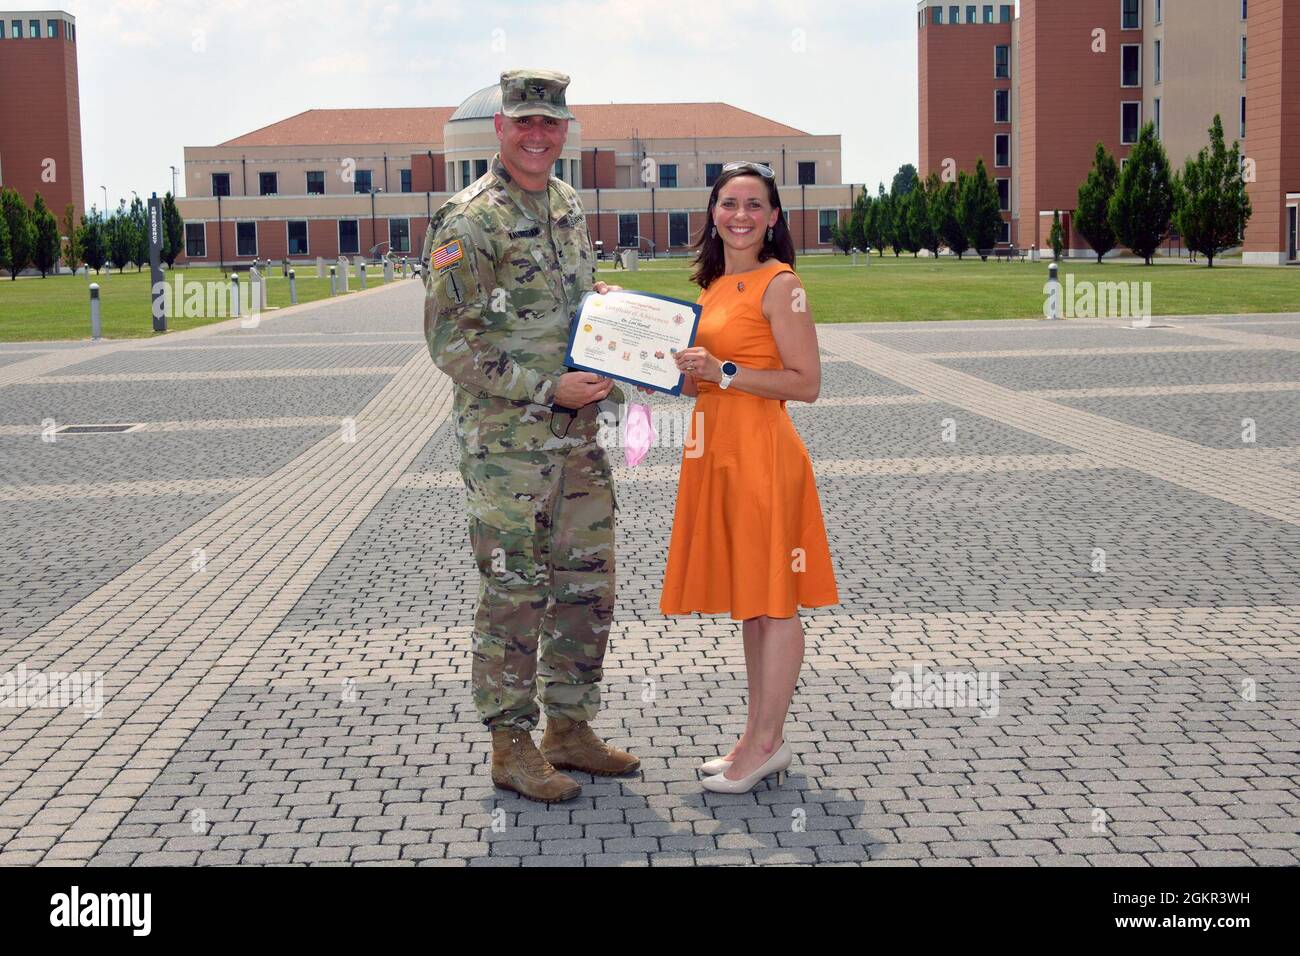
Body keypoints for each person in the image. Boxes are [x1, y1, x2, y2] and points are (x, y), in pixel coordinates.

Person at [422, 69, 640, 804]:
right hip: (508, 450)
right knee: (515, 595)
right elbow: (452, 344)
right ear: (502, 129)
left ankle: (569, 729)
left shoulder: (567, 203)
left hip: (577, 442)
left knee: (586, 585)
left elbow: (565, 302)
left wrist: (601, 306)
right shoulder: (469, 221)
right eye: (525, 122)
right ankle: (510, 747)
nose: (539, 134)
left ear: (564, 128)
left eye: (551, 122)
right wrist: (548, 389)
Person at [660, 161, 839, 793]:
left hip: (763, 455)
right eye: (729, 202)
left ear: (772, 218)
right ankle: (754, 739)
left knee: (776, 602)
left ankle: (766, 742)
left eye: (753, 205)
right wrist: (622, 330)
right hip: (718, 455)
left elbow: (807, 383)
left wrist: (725, 370)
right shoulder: (713, 287)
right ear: (713, 212)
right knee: (753, 607)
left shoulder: (779, 283)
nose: (740, 214)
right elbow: (694, 380)